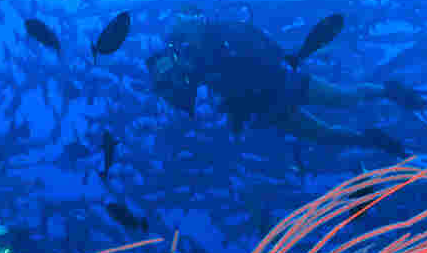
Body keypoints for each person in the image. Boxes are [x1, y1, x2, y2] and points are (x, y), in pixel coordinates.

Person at [147, 15, 406, 154]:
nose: (187, 39)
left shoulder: (225, 32)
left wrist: (282, 62)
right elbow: (187, 102)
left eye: (187, 28)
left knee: (345, 98)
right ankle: (370, 141)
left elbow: (266, 47)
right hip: (266, 108)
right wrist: (168, 84)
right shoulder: (193, 65)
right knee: (323, 135)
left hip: (284, 83)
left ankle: (389, 91)